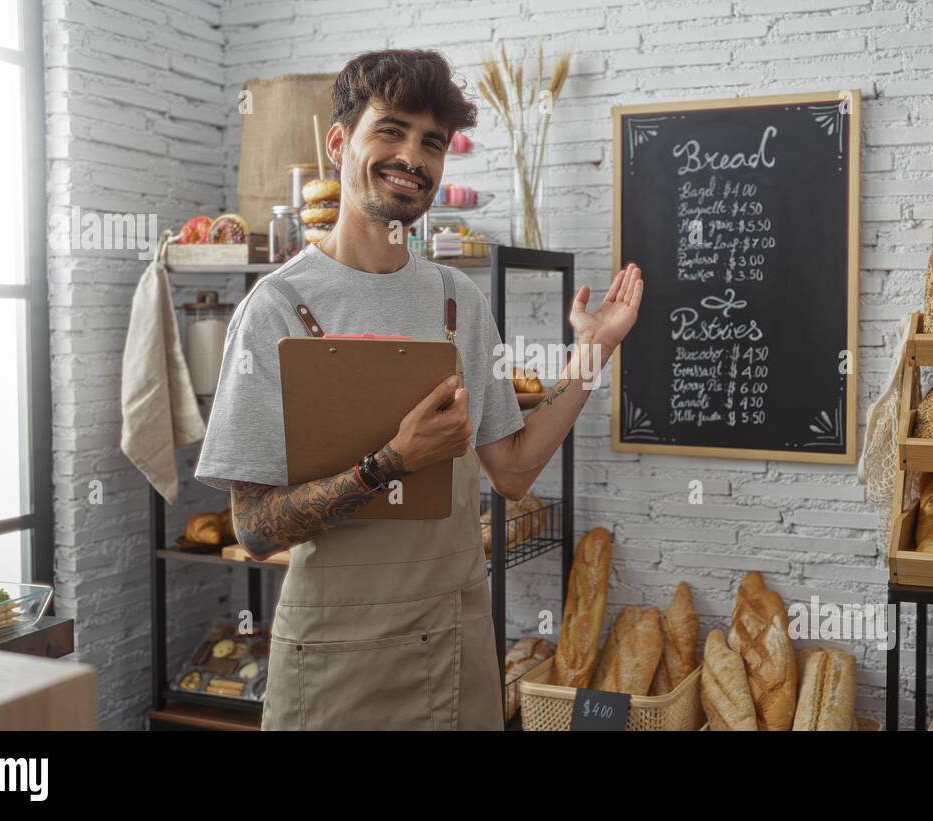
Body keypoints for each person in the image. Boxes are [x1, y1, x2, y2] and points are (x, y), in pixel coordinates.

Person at [196, 49, 642, 730]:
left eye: (432, 143)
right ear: (339, 142)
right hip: (332, 657)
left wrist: (593, 351)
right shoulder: (276, 307)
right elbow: (255, 528)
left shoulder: (456, 300)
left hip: (455, 646)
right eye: (392, 130)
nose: (413, 155)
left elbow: (514, 470)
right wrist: (387, 464)